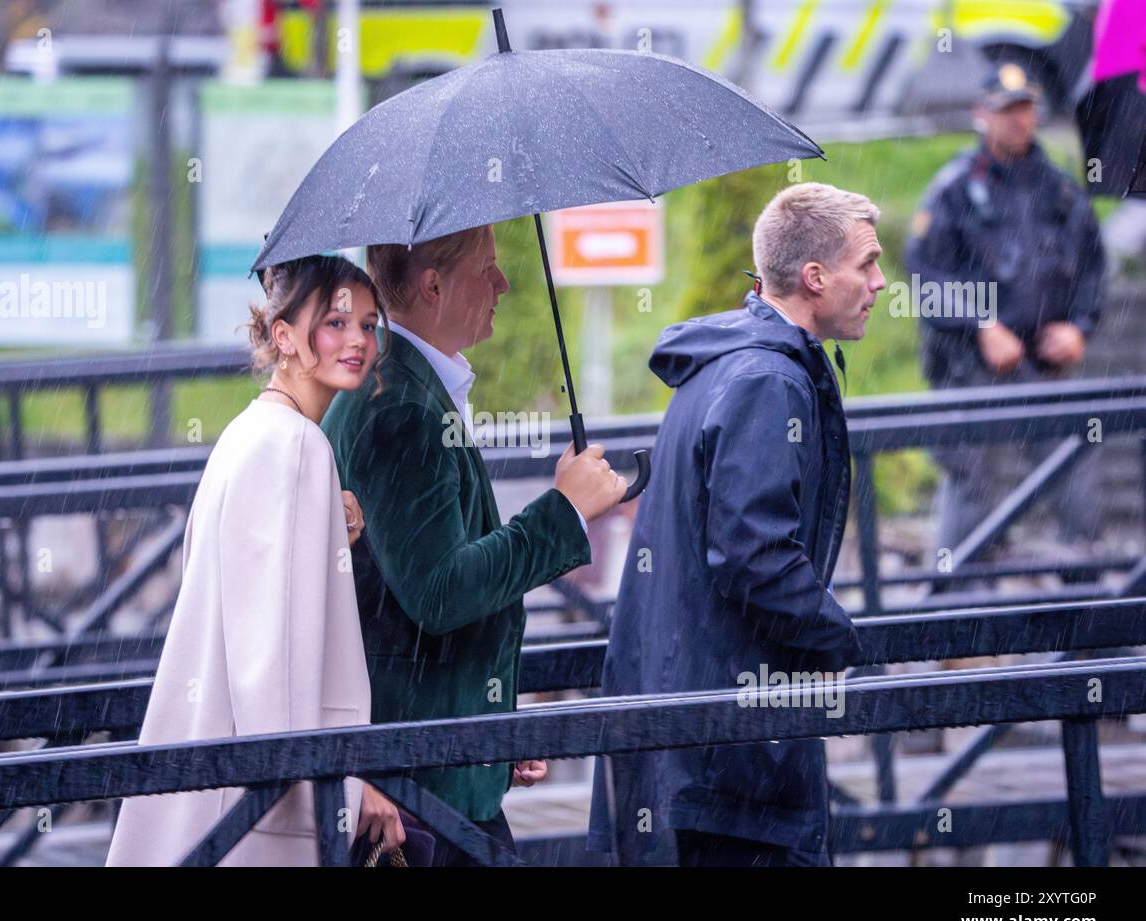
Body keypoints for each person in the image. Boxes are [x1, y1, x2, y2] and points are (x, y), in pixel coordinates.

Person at [587, 183, 883, 866]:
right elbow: (754, 556)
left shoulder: (730, 364)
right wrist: (845, 642)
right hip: (731, 751)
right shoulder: (767, 380)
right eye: (865, 264)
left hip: (701, 733)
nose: (879, 282)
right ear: (815, 277)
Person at [321, 224, 626, 866]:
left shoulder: (407, 387)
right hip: (420, 796)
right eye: (486, 269)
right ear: (433, 285)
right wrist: (564, 511)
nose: (503, 283)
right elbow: (438, 592)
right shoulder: (401, 407)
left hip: (432, 775)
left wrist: (490, 720)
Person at [106, 254, 405, 866]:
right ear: (284, 335)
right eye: (337, 322)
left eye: (369, 326)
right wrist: (341, 786)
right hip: (267, 809)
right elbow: (274, 662)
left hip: (220, 785)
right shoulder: (295, 445)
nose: (357, 341)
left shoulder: (251, 432)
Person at [906, 63, 1107, 571]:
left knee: (1072, 476)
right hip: (971, 368)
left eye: (1026, 109)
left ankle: (1085, 614)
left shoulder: (1059, 189)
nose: (1020, 121)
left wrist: (1079, 327)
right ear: (982, 114)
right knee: (970, 487)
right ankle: (957, 620)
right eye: (1007, 111)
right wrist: (982, 323)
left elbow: (1092, 268)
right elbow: (924, 282)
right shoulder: (952, 191)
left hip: (1043, 364)